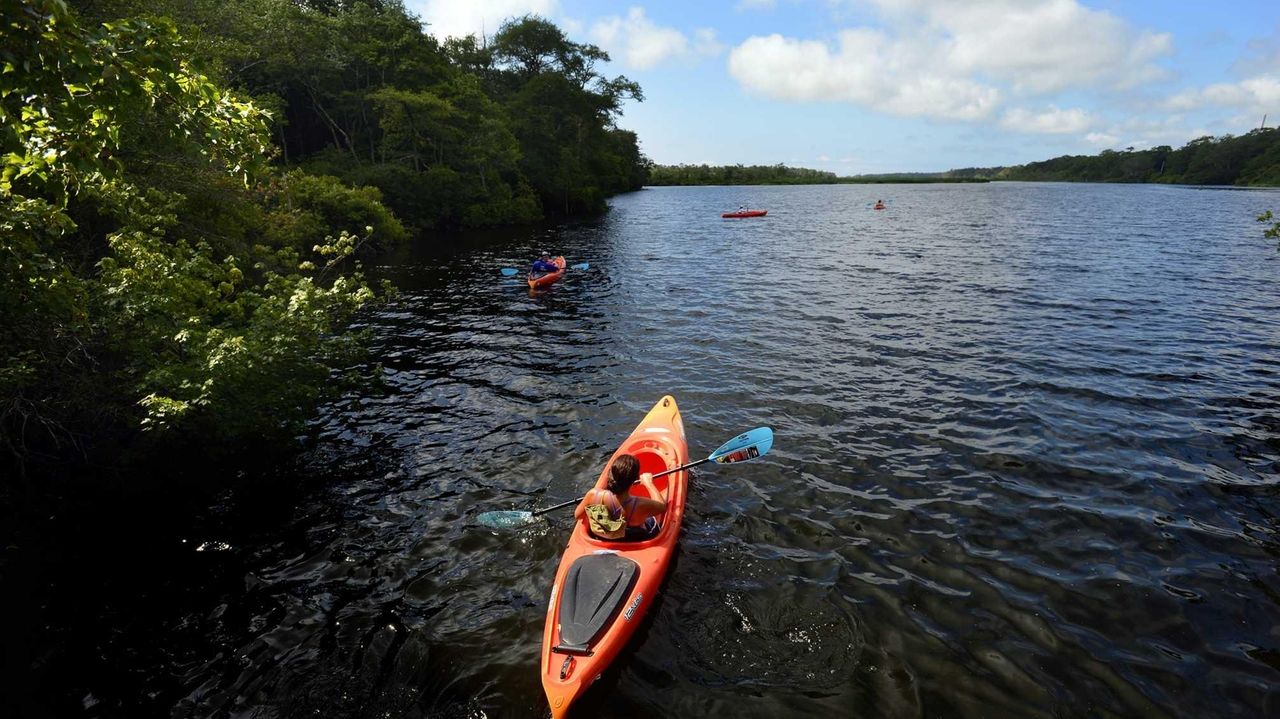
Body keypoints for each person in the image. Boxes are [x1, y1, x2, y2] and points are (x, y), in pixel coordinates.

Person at [574, 454, 667, 540]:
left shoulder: (593, 494)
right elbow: (662, 507)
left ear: (610, 475)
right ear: (636, 479)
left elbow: (578, 515)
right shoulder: (640, 505)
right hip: (632, 541)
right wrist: (649, 484)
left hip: (602, 538)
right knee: (663, 497)